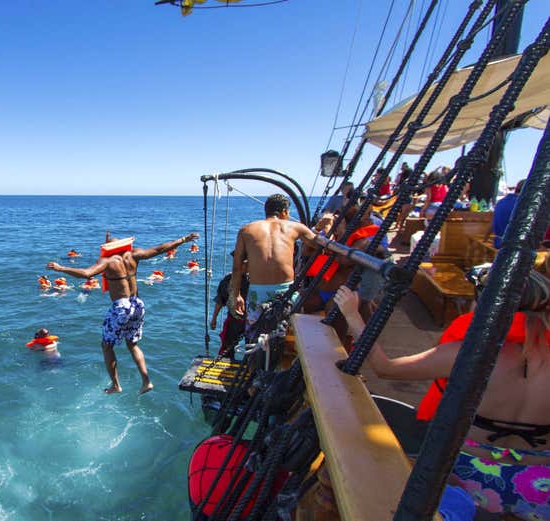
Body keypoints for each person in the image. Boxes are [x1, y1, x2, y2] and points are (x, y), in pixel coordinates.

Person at [333, 268, 550, 520]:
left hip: (468, 474)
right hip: (540, 480)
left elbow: (385, 367)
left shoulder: (470, 353)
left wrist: (352, 315)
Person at [47, 231, 199, 394]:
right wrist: (184, 239)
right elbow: (159, 249)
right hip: (138, 304)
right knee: (132, 344)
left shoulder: (108, 260)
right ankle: (146, 381)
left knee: (106, 346)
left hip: (122, 306)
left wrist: (61, 268)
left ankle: (115, 385)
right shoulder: (133, 254)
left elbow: (87, 273)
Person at [232, 194, 317, 331]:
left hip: (257, 292)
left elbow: (237, 268)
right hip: (286, 291)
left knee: (254, 334)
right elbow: (319, 244)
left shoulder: (246, 230)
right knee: (288, 333)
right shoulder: (295, 227)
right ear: (285, 211)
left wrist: (236, 295)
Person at [211, 256, 249, 358]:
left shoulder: (256, 280)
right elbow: (220, 300)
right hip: (234, 320)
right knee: (227, 349)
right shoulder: (228, 279)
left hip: (252, 321)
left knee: (252, 350)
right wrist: (214, 319)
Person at [491, 179, 525, 248]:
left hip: (498, 242)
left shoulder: (501, 202)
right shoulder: (523, 204)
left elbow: (492, 224)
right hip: (512, 246)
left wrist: (484, 240)